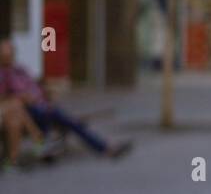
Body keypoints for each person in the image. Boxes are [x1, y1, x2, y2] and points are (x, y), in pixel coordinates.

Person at [0, 38, 131, 163]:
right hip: (25, 112)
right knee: (62, 119)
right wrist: (21, 97)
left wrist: (45, 95)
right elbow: (4, 99)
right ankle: (104, 147)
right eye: (5, 52)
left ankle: (103, 147)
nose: (8, 54)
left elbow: (36, 87)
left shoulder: (20, 70)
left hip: (42, 108)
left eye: (10, 51)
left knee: (68, 121)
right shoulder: (3, 74)